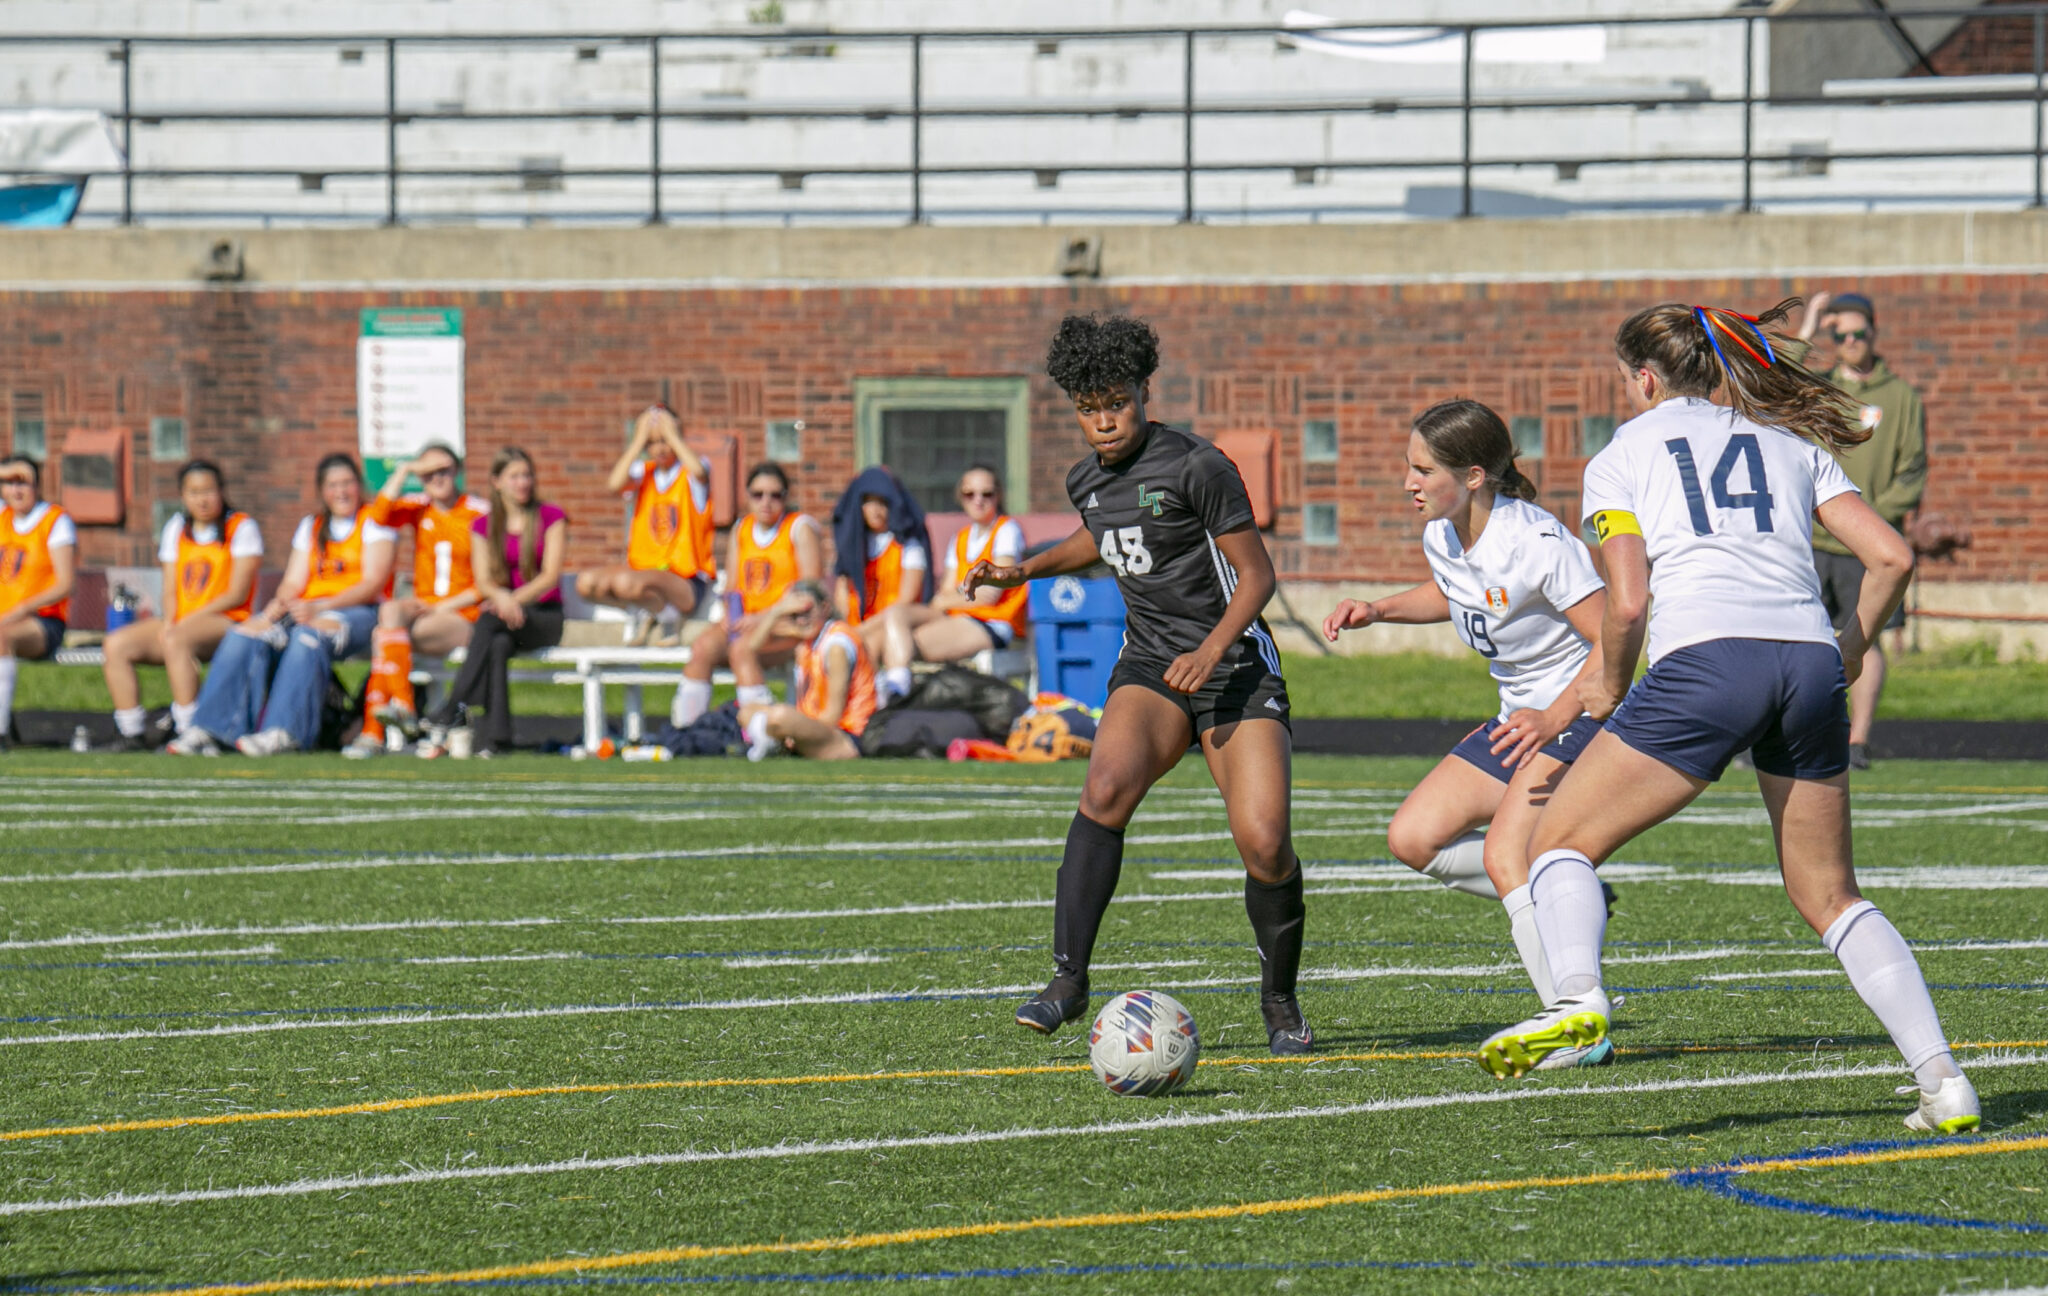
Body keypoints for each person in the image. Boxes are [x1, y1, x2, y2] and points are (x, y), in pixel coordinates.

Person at [1476, 299, 1978, 1135]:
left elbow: (1627, 603)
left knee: (1556, 844)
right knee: (1830, 894)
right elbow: (1891, 557)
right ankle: (1943, 1080)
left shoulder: (1621, 455)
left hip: (1709, 661)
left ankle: (1578, 997)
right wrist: (1850, 649)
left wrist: (1608, 682)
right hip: (1807, 664)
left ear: (1644, 379)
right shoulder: (1791, 444)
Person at [962, 313, 1312, 1056]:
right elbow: (1100, 535)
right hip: (1152, 664)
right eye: (1087, 408)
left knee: (1264, 844)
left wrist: (1212, 650)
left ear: (1144, 392)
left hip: (1234, 665)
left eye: (1116, 403)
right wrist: (1025, 569)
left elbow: (1258, 576)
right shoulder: (1085, 478)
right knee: (1104, 790)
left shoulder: (1198, 465)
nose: (1104, 421)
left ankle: (1280, 1001)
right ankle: (1067, 981)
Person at [1322, 400, 1611, 1065]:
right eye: (1409, 467)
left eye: (1423, 470)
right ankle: (1563, 897)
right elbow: (1455, 594)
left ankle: (1575, 1029)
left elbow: (1613, 643)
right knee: (1413, 838)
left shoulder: (1536, 542)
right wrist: (1378, 609)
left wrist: (1555, 716)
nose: (1408, 483)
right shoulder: (1443, 534)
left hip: (1580, 717)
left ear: (1474, 476)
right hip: (1520, 721)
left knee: (1507, 856)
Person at [169, 453, 396, 757]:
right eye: (333, 485)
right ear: (322, 490)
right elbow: (293, 581)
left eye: (347, 483)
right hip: (308, 609)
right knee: (246, 634)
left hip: (358, 612)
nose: (341, 492)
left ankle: (283, 731)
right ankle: (211, 729)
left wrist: (321, 607)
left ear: (359, 486)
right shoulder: (312, 526)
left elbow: (373, 584)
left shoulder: (374, 521)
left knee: (307, 637)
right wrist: (279, 604)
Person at [1794, 290, 1927, 770]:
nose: (1850, 342)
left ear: (1874, 332)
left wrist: (1865, 520)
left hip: (1866, 547)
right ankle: (1788, 733)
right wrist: (1808, 327)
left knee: (1865, 639)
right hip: (1810, 540)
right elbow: (1775, 376)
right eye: (1840, 335)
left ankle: (1857, 742)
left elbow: (1912, 472)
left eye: (1858, 333)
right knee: (1795, 640)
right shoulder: (1819, 387)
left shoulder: (1901, 397)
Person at [101, 460, 263, 751]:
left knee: (177, 638)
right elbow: (170, 589)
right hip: (182, 622)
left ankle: (191, 730)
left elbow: (237, 594)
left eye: (208, 491)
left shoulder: (241, 527)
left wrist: (184, 623)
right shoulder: (177, 528)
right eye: (194, 492)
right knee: (116, 645)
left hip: (227, 621)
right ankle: (131, 732)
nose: (202, 500)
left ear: (221, 491)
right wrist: (170, 620)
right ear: (183, 495)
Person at [417, 447, 567, 758]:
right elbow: (484, 581)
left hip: (543, 617)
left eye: (527, 475)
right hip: (504, 617)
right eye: (514, 476)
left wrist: (511, 600)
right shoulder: (483, 526)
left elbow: (550, 577)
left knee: (488, 621)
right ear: (497, 482)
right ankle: (497, 739)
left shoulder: (551, 517)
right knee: (497, 643)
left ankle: (453, 706)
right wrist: (502, 598)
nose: (523, 483)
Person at [348, 444, 491, 756]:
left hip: (462, 612)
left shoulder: (478, 511)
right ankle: (404, 705)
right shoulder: (420, 507)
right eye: (428, 473)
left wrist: (441, 606)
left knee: (384, 638)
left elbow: (488, 582)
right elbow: (378, 515)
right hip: (424, 606)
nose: (436, 478)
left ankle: (373, 732)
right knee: (389, 612)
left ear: (457, 471)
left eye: (444, 470)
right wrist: (405, 470)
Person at [671, 462, 822, 728]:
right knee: (702, 648)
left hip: (787, 625)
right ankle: (687, 731)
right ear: (748, 496)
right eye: (758, 494)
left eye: (775, 495)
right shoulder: (742, 529)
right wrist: (731, 615)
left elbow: (809, 593)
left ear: (786, 497)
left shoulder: (799, 528)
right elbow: (732, 586)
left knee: (742, 649)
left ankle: (760, 732)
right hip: (747, 622)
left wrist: (763, 618)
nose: (766, 502)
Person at [874, 464, 1029, 705]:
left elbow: (991, 593)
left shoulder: (1006, 530)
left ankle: (896, 695)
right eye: (970, 494)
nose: (978, 500)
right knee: (895, 616)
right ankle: (884, 689)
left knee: (905, 642)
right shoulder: (962, 537)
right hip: (958, 616)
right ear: (961, 497)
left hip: (993, 621)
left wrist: (949, 597)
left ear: (998, 496)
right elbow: (948, 590)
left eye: (987, 494)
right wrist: (954, 596)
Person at [574, 405, 713, 646]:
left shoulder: (691, 471)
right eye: (652, 442)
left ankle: (665, 616)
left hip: (684, 579)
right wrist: (637, 440)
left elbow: (700, 471)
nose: (660, 448)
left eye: (664, 440)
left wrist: (672, 434)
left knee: (627, 583)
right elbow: (614, 484)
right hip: (641, 574)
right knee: (586, 583)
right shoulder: (644, 473)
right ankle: (655, 611)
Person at [736, 581, 876, 762]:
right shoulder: (808, 637)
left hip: (846, 737)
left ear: (825, 608)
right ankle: (772, 742)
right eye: (795, 615)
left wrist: (797, 730)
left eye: (807, 612)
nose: (802, 620)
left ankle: (770, 742)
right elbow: (753, 646)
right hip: (814, 726)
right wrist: (778, 610)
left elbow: (833, 715)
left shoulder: (836, 645)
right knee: (746, 711)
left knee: (780, 716)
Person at [0, 455, 75, 750]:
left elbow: (65, 584)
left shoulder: (54, 521)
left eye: (22, 482)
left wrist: (18, 611)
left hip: (43, 623)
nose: (15, 490)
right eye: (7, 482)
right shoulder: (3, 518)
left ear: (37, 484)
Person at [830, 465, 931, 654]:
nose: (876, 510)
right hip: (854, 628)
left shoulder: (907, 545)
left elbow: (907, 599)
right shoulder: (852, 545)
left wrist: (861, 631)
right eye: (868, 502)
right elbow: (842, 595)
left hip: (890, 628)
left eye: (882, 502)